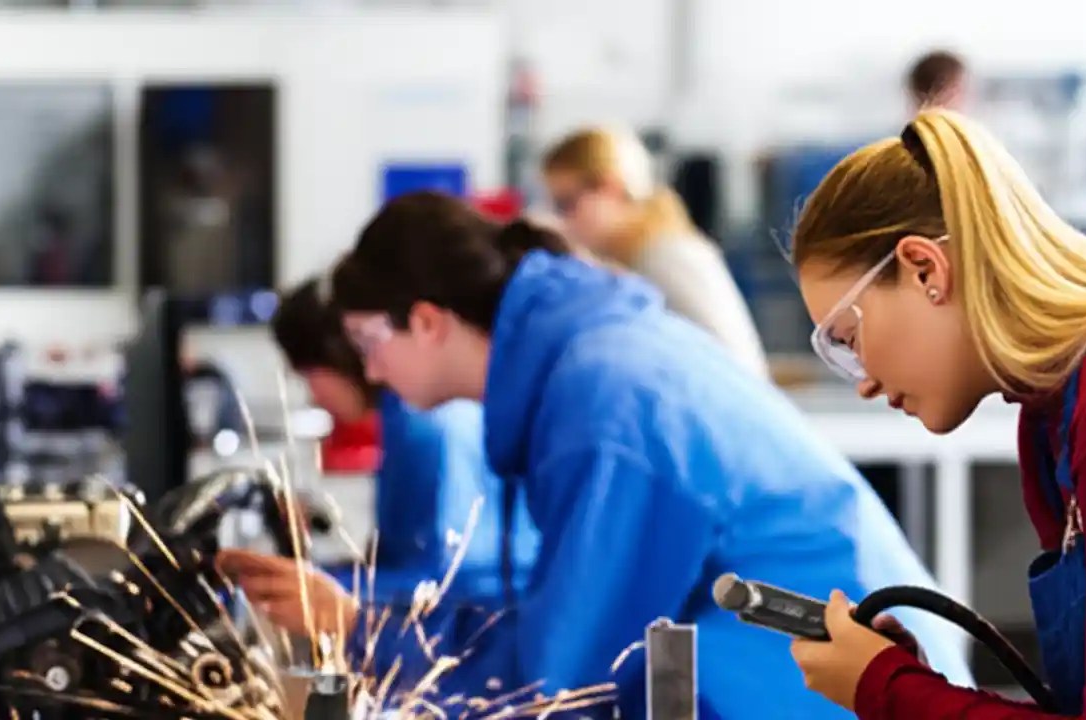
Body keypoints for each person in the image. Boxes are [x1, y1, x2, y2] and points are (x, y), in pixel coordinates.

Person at [221, 191, 972, 719]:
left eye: (367, 345)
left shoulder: (605, 399)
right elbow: (563, 616)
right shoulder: (582, 369)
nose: (371, 374)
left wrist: (366, 632)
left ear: (427, 322)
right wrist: (364, 623)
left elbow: (561, 674)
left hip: (848, 691)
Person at [787, 108, 1086, 719]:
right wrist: (907, 682)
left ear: (927, 269)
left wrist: (888, 690)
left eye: (847, 337)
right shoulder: (1054, 412)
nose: (863, 381)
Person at [269, 278, 538, 595]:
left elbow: (444, 584)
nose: (313, 396)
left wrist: (314, 587)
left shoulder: (425, 425)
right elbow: (397, 559)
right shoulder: (401, 418)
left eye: (307, 376)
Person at [541, 127, 768, 376]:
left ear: (610, 188)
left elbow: (729, 365)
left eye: (566, 203)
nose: (561, 220)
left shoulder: (664, 256)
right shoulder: (641, 255)